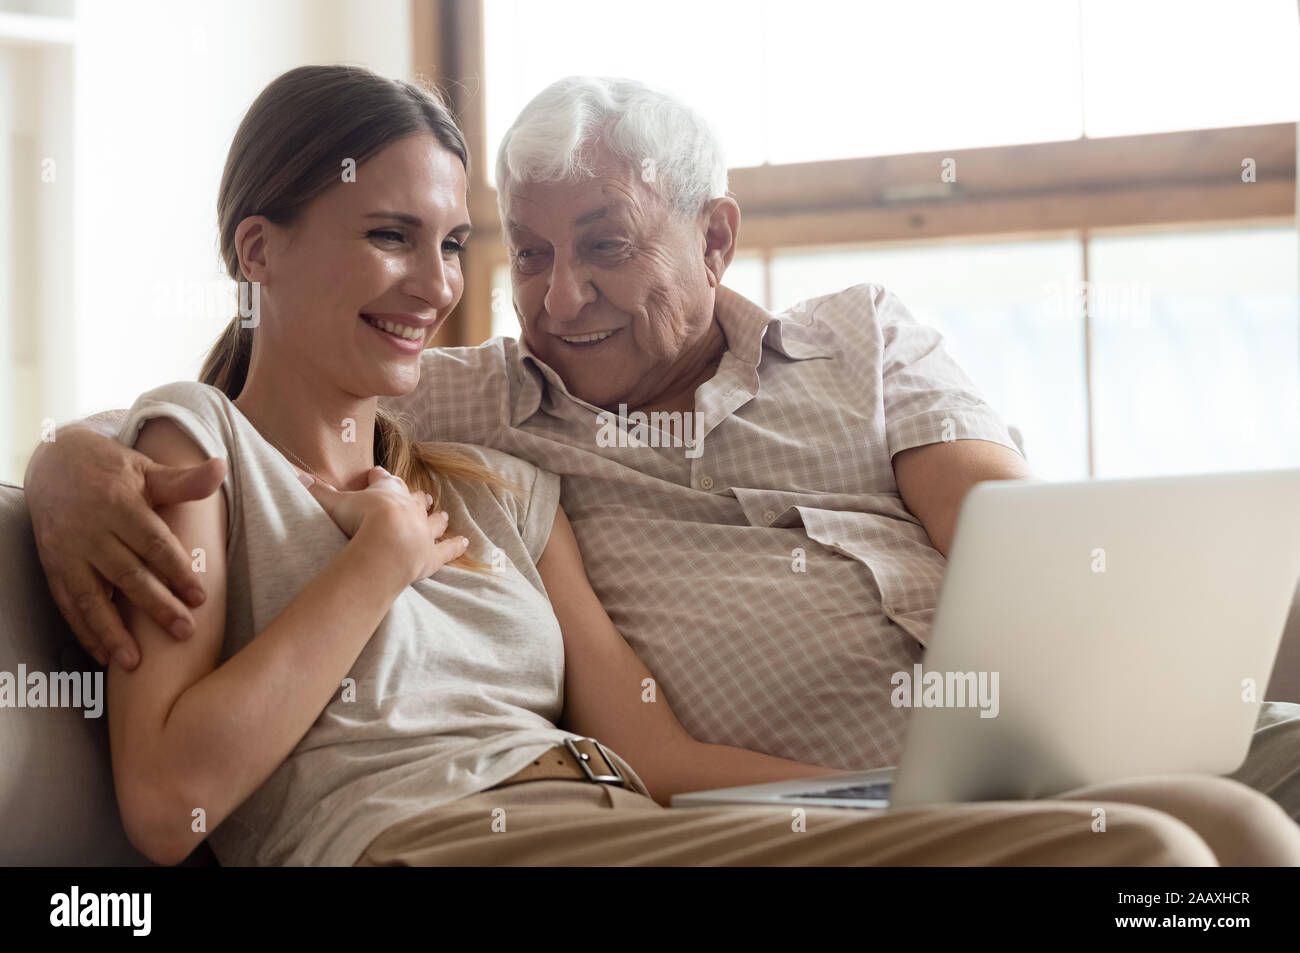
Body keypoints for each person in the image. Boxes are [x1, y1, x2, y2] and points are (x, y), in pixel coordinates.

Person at [25, 66, 1300, 866]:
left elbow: (654, 746)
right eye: (518, 253)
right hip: (470, 837)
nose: (535, 295)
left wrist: (898, 805)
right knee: (1144, 853)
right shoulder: (264, 443)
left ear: (714, 237)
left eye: (454, 244)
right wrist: (71, 459)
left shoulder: (488, 473)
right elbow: (169, 801)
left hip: (690, 804)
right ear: (260, 247)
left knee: (1240, 818)